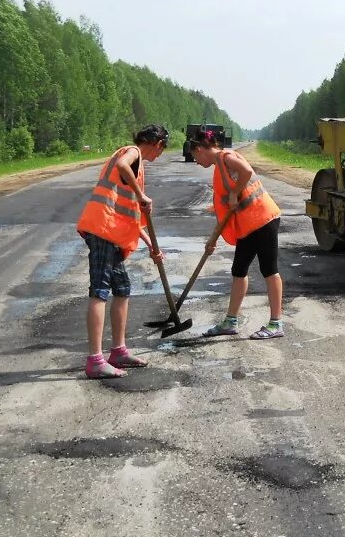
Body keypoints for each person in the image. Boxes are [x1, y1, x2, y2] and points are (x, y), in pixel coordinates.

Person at [76, 124, 169, 379]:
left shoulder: (137, 169)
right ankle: (95, 360)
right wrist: (141, 195)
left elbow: (131, 218)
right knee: (100, 290)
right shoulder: (133, 153)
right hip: (102, 229)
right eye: (161, 150)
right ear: (157, 144)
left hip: (111, 233)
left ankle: (118, 351)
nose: (158, 155)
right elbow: (121, 165)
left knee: (122, 288)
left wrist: (152, 246)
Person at [187, 131, 285, 340]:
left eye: (195, 157)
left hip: (263, 219)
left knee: (269, 269)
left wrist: (234, 193)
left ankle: (276, 323)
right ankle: (231, 321)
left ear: (200, 149)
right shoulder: (218, 166)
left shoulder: (226, 157)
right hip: (248, 224)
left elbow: (247, 171)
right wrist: (214, 237)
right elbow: (225, 206)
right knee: (238, 270)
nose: (197, 162)